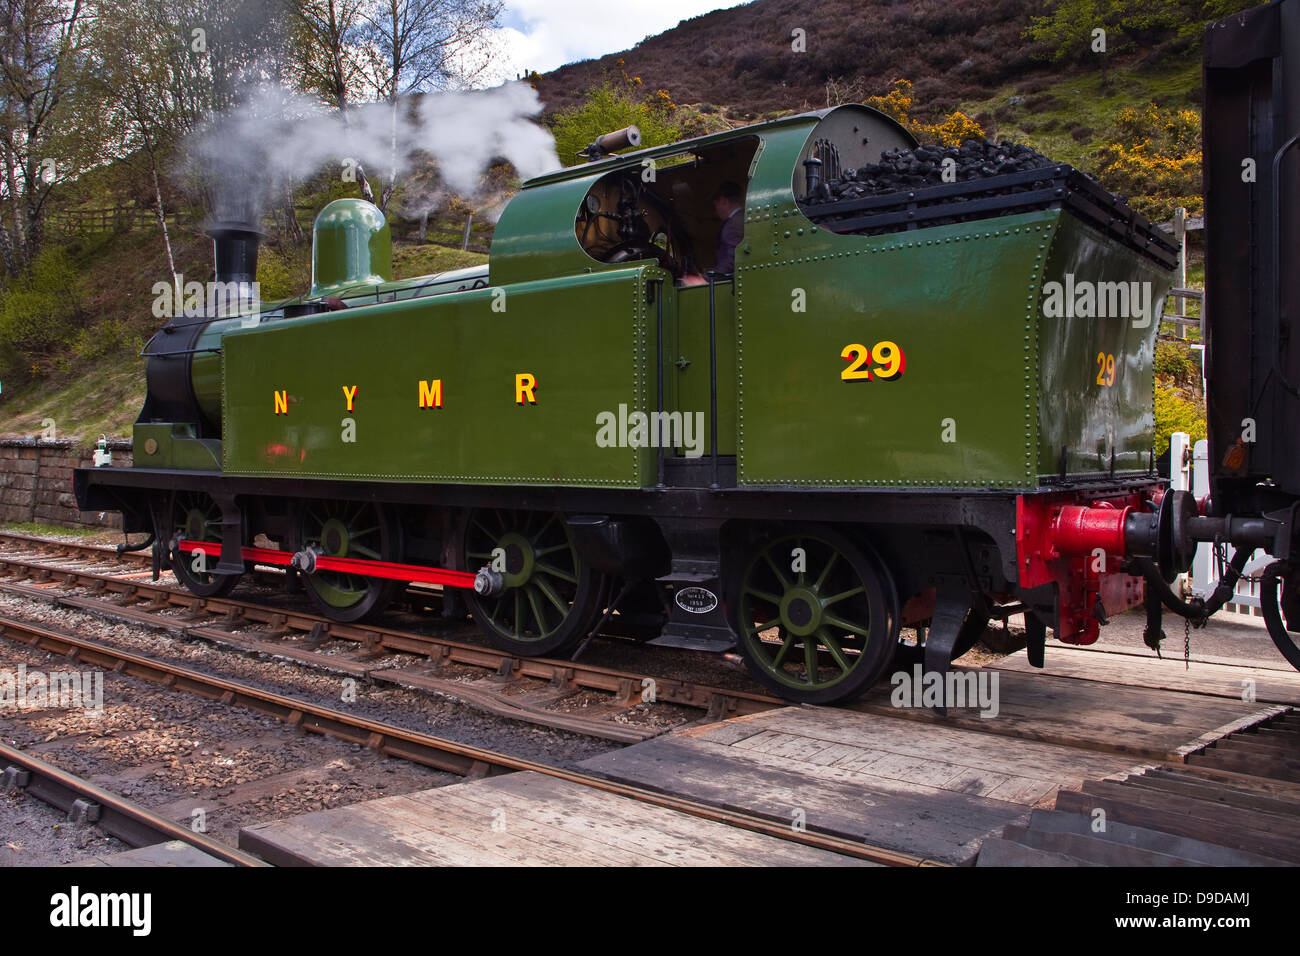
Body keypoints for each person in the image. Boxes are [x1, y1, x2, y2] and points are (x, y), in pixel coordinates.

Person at [679, 181, 745, 286]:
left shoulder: (733, 225)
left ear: (723, 201)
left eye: (716, 205)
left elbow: (734, 260)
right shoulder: (742, 219)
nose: (716, 210)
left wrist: (705, 279)